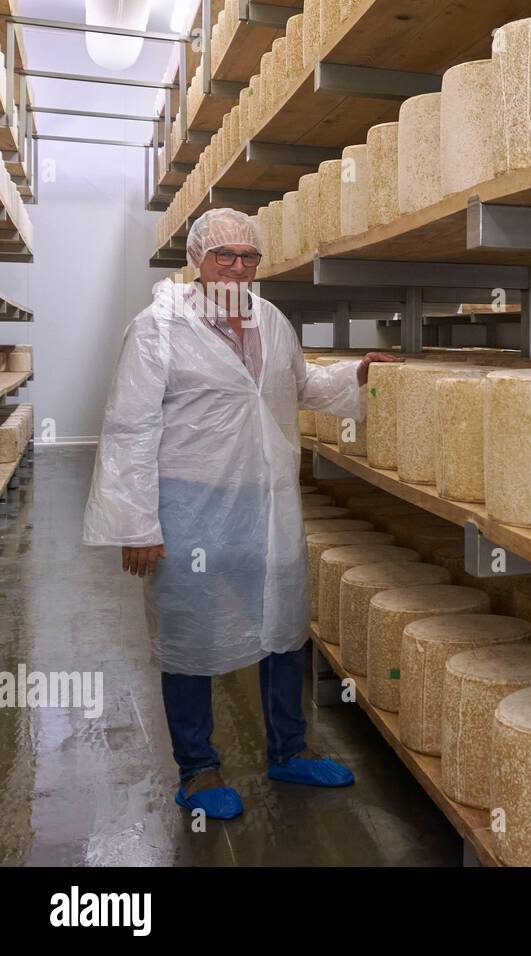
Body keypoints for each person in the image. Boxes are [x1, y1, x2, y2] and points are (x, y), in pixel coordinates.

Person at [83, 208, 403, 820]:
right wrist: (136, 524)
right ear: (197, 261)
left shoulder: (273, 322)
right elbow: (129, 428)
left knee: (283, 625)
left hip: (268, 502)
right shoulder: (158, 329)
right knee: (189, 637)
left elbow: (300, 387)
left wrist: (355, 375)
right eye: (224, 256)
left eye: (249, 257)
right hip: (189, 507)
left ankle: (288, 748)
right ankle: (198, 769)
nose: (238, 267)